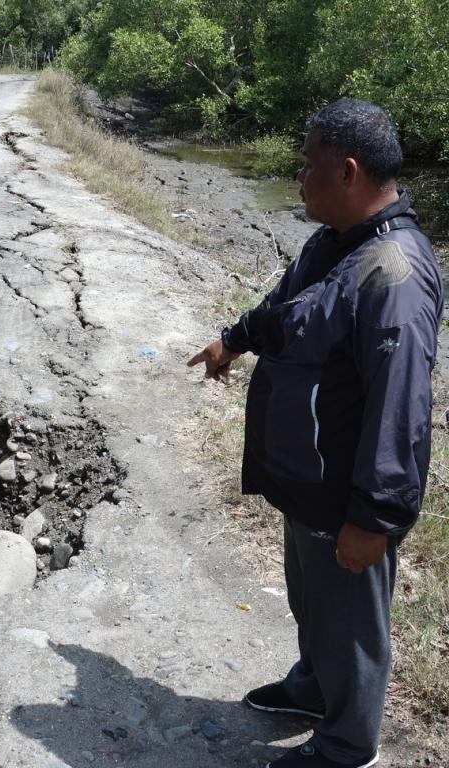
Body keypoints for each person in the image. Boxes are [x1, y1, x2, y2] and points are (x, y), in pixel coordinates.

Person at [188, 98, 443, 768]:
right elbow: (287, 310)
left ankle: (346, 741)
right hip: (307, 477)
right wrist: (234, 339)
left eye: (308, 166)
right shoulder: (334, 241)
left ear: (349, 172)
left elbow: (401, 411)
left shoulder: (394, 274)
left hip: (346, 494)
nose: (299, 178)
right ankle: (311, 686)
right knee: (311, 598)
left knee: (350, 621)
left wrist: (375, 518)